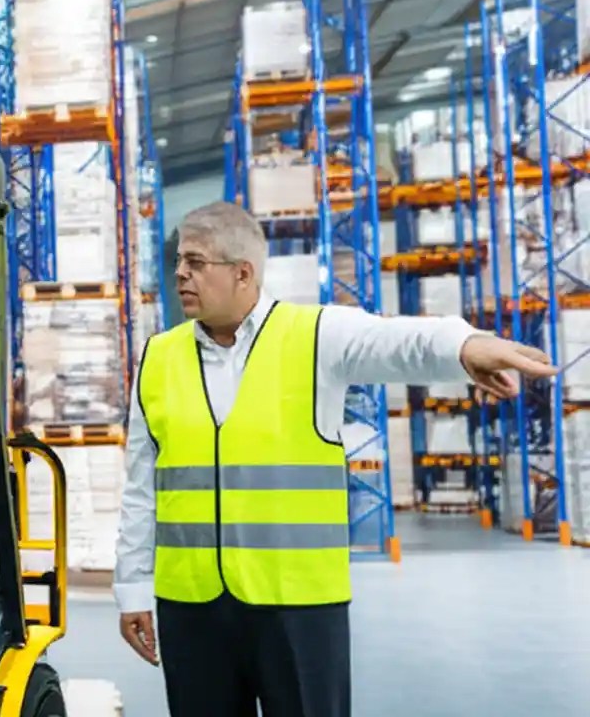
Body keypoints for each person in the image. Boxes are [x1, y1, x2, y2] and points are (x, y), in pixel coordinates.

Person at [114, 201, 558, 717]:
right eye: (179, 262)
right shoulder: (158, 359)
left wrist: (465, 346)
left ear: (243, 273)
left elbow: (396, 340)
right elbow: (140, 488)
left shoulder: (315, 335)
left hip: (299, 605)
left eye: (195, 262)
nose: (181, 274)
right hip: (191, 607)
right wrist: (132, 589)